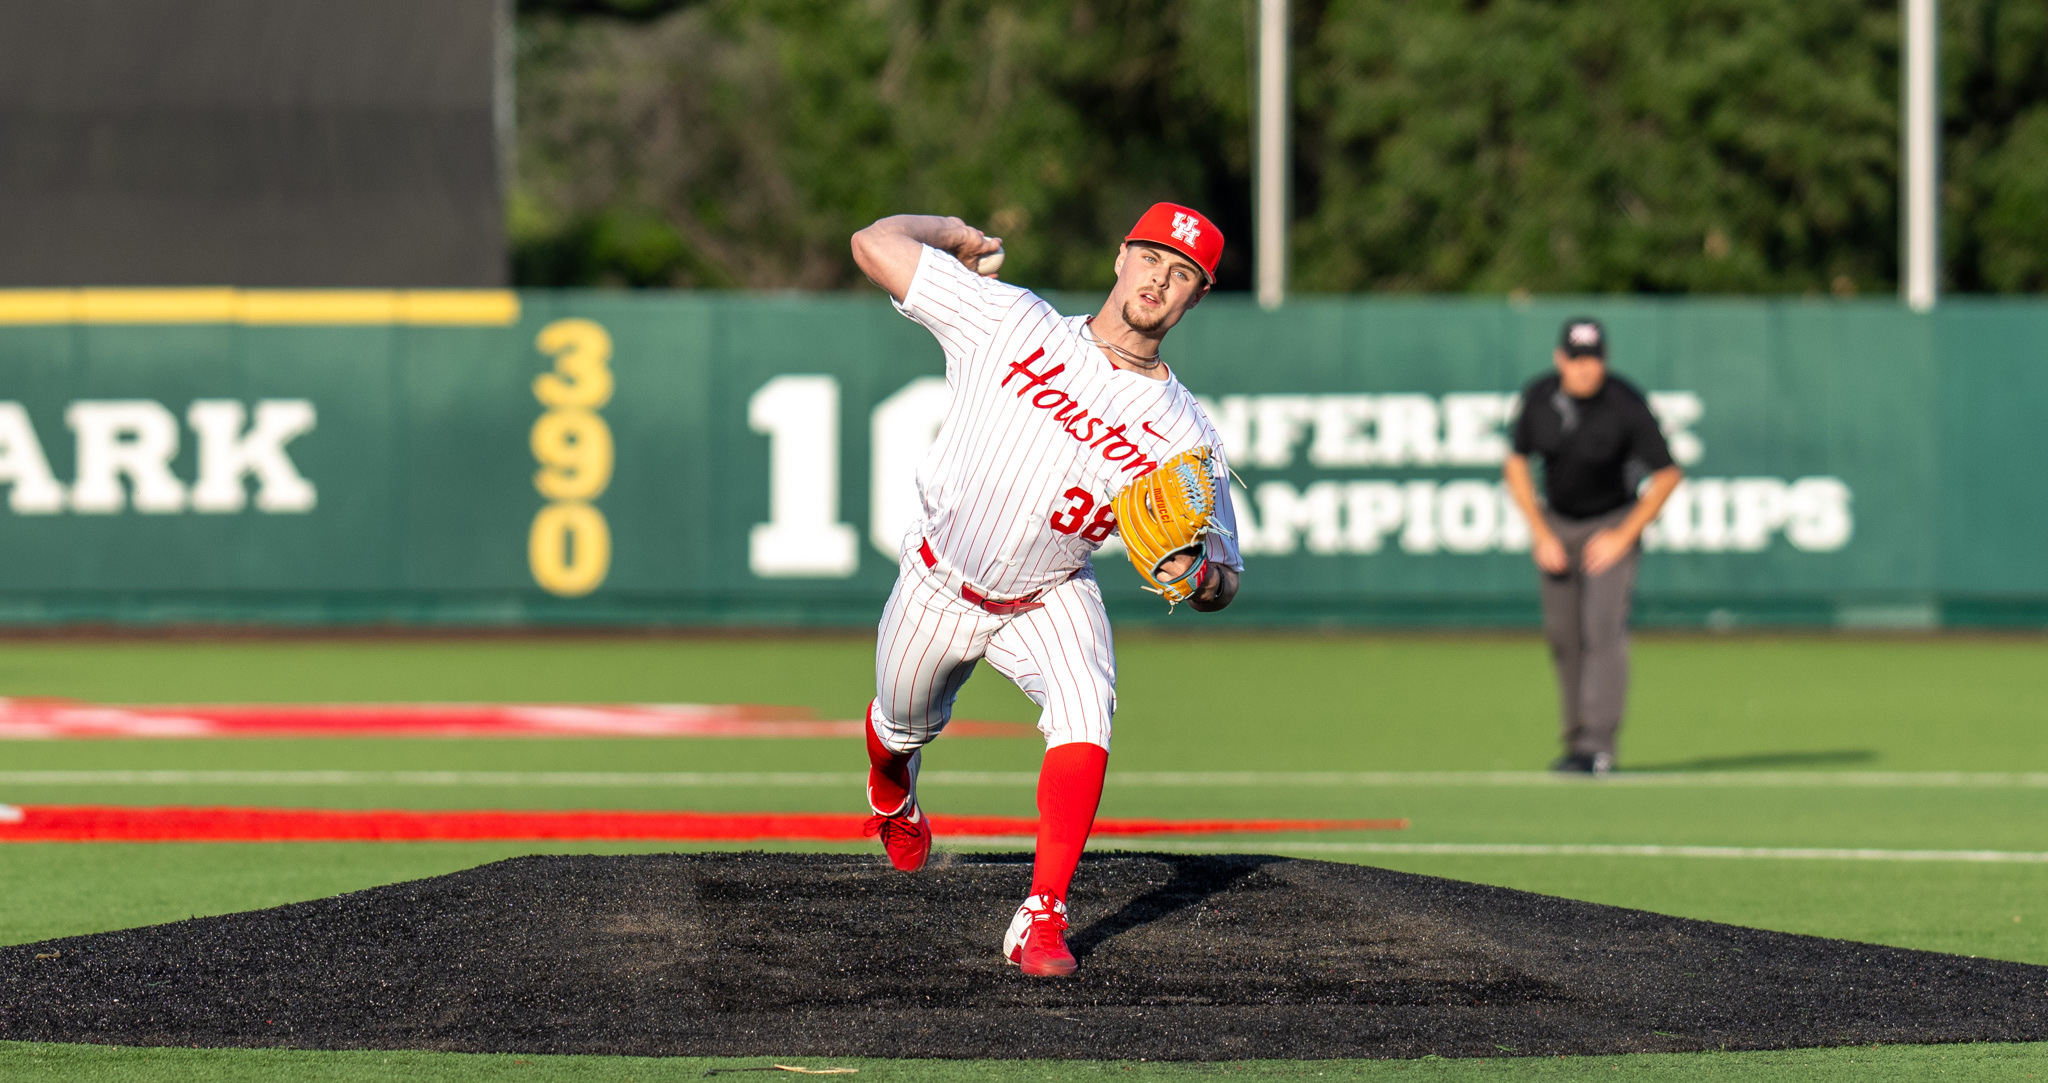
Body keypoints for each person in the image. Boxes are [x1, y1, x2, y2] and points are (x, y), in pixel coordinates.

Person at [848, 203, 1243, 977]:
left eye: (1184, 273)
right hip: (939, 581)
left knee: (1087, 707)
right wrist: (953, 236)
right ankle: (892, 787)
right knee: (900, 723)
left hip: (1050, 589)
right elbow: (872, 244)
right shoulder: (1011, 318)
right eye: (1154, 257)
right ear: (1122, 255)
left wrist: (1196, 575)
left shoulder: (1187, 434)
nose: (1161, 278)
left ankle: (1043, 914)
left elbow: (1226, 577)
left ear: (1196, 297)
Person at [1502, 318, 1682, 776]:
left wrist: (1625, 535)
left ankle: (1598, 746)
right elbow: (1517, 462)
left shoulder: (1624, 402)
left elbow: (1666, 474)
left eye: (1594, 359)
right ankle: (1576, 742)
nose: (1586, 369)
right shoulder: (1540, 397)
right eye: (1577, 359)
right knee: (1565, 638)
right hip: (1558, 524)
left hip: (1611, 523)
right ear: (1561, 359)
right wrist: (1539, 531)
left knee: (1603, 630)